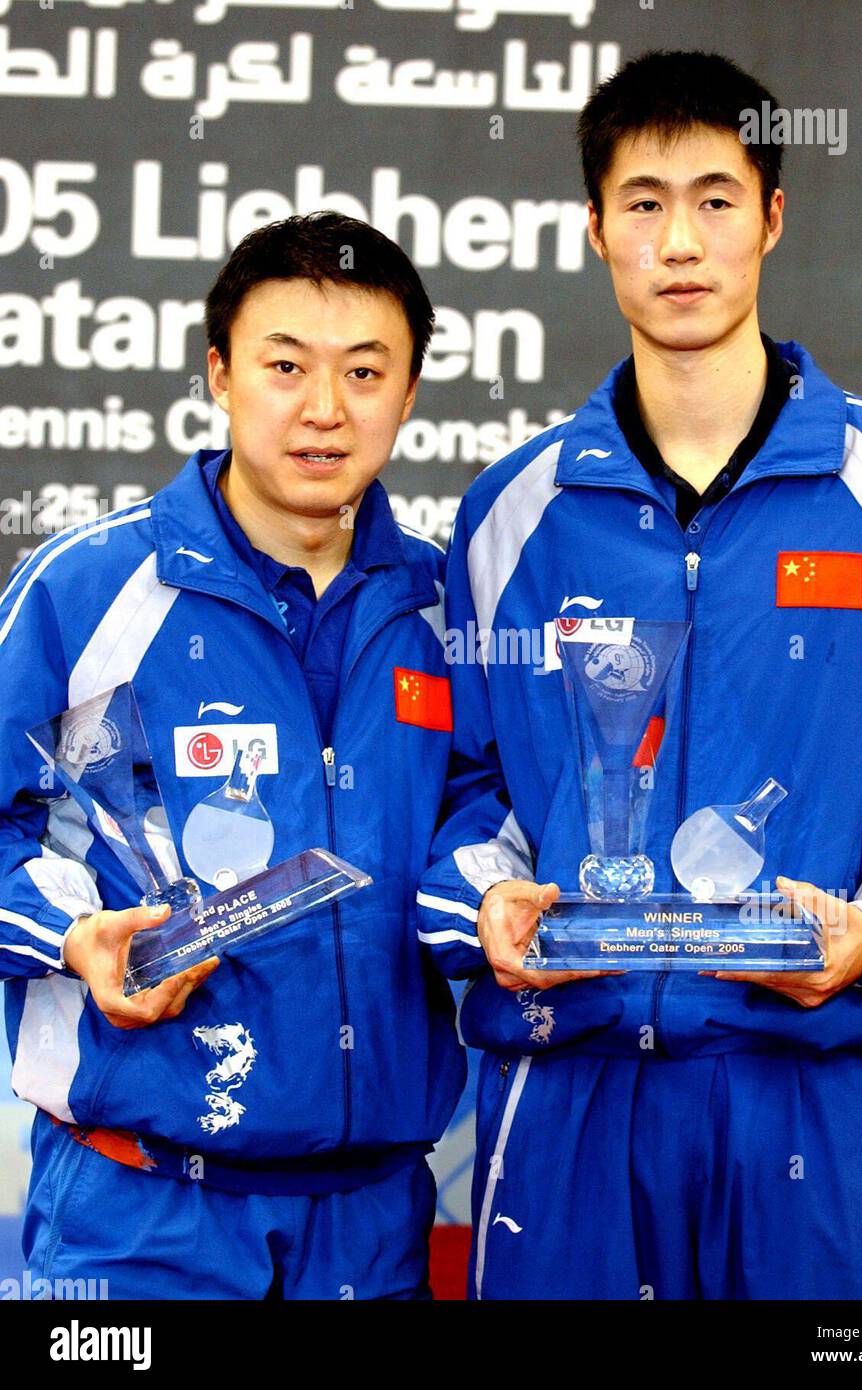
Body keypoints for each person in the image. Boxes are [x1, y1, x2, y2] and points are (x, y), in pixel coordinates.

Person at [418, 50, 862, 1299]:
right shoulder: (510, 512)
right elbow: (459, 783)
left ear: (773, 217)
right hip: (567, 1094)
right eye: (643, 202)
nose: (680, 239)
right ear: (593, 228)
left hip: (823, 1093)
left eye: (716, 197)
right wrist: (487, 902)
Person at [0, 212, 465, 1300]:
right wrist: (71, 937)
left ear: (408, 395)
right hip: (139, 1214)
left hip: (375, 1220)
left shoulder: (449, 610)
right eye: (285, 364)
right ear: (218, 372)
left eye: (364, 371)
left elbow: (495, 825)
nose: (322, 408)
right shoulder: (89, 589)